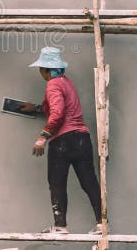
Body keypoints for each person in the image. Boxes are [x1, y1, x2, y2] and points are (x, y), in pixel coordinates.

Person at [23, 47, 105, 235]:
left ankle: (60, 226)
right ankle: (103, 223)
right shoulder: (67, 83)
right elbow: (63, 109)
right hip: (82, 139)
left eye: (41, 68)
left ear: (46, 69)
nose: (40, 72)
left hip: (63, 141)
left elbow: (58, 113)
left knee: (57, 182)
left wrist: (43, 137)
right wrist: (36, 108)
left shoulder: (52, 85)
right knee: (89, 182)